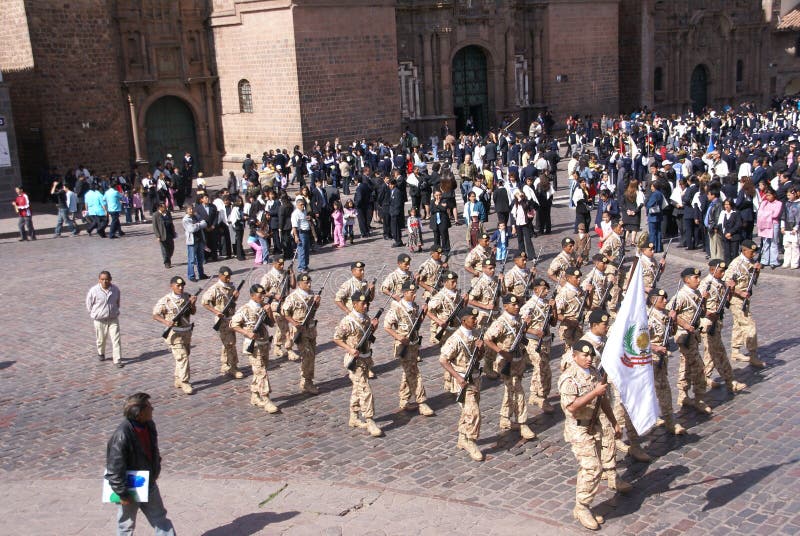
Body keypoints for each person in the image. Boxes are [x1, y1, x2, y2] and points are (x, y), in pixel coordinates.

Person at [559, 341, 629, 531]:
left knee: (589, 468)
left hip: (595, 425)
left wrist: (614, 421)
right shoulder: (569, 379)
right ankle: (582, 507)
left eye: (591, 356)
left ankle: (583, 504)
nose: (589, 359)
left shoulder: (595, 373)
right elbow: (572, 407)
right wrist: (594, 392)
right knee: (593, 468)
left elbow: (603, 399)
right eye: (584, 356)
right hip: (579, 428)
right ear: (574, 356)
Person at [106, 392, 176, 536]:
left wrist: (156, 466)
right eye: (149, 407)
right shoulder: (122, 435)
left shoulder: (149, 425)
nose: (152, 409)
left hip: (148, 482)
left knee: (160, 519)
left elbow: (152, 449)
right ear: (139, 413)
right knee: (126, 525)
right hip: (129, 487)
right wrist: (123, 494)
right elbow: (114, 469)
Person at [485, 294, 536, 440]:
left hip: (518, 360)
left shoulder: (518, 319)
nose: (517, 306)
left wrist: (525, 325)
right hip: (506, 362)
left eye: (517, 304)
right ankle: (523, 422)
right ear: (505, 306)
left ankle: (505, 418)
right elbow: (487, 339)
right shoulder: (500, 322)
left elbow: (519, 335)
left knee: (510, 390)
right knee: (518, 391)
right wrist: (501, 352)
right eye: (513, 305)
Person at [333, 291, 383, 437]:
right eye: (363, 303)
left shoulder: (366, 318)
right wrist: (349, 349)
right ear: (354, 304)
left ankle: (354, 417)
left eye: (367, 303)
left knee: (357, 388)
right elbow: (336, 338)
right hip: (354, 361)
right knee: (365, 389)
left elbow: (367, 338)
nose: (366, 305)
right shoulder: (347, 321)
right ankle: (370, 420)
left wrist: (374, 328)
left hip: (365, 359)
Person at [438, 308, 484, 461]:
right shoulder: (455, 339)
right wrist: (457, 377)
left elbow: (479, 357)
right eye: (472, 318)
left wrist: (481, 348)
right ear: (464, 321)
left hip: (475, 378)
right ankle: (471, 441)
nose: (475, 320)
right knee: (473, 412)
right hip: (463, 380)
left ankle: (462, 437)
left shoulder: (476, 334)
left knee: (468, 410)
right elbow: (443, 360)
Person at [383, 281, 434, 416]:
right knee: (415, 373)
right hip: (404, 346)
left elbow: (416, 324)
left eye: (415, 292)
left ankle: (404, 400)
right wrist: (399, 337)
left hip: (414, 346)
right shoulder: (397, 308)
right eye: (412, 292)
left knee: (408, 373)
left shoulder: (415, 306)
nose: (414, 294)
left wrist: (423, 314)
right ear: (405, 293)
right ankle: (422, 402)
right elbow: (386, 326)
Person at [699, 259, 747, 394]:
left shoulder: (720, 283)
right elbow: (698, 307)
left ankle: (704, 377)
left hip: (717, 322)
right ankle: (730, 381)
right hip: (708, 323)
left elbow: (726, 302)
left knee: (710, 353)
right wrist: (709, 313)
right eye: (721, 271)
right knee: (719, 353)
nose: (723, 273)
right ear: (712, 270)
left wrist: (730, 289)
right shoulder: (705, 285)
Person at [230, 284, 279, 413]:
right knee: (261, 372)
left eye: (263, 294)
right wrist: (246, 333)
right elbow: (233, 324)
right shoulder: (245, 309)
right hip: (253, 346)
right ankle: (266, 399)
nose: (262, 296)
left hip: (264, 344)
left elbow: (272, 324)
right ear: (252, 296)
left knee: (259, 371)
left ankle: (255, 395)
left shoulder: (264, 306)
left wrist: (269, 312)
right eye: (259, 295)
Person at [669, 267, 712, 414]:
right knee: (699, 368)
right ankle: (699, 398)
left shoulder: (698, 293)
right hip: (684, 336)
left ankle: (683, 395)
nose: (699, 280)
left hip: (693, 336)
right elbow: (670, 313)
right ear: (687, 280)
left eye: (699, 277)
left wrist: (704, 301)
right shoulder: (681, 296)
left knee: (686, 366)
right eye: (695, 278)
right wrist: (685, 324)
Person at [647, 288, 687, 435]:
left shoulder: (664, 314)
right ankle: (657, 417)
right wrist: (655, 347)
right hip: (649, 359)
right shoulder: (646, 316)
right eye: (662, 299)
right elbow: (638, 340)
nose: (665, 301)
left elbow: (670, 333)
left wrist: (673, 320)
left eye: (666, 298)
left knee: (663, 388)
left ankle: (669, 419)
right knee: (652, 389)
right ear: (652, 300)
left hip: (661, 360)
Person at [152, 276, 197, 395]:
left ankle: (178, 378)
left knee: (183, 355)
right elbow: (155, 314)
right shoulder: (165, 300)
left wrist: (192, 304)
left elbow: (193, 312)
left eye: (182, 286)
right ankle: (185, 381)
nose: (181, 288)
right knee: (183, 357)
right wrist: (166, 322)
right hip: (174, 333)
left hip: (186, 332)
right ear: (172, 286)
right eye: (178, 286)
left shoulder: (187, 297)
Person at [723, 240, 765, 368]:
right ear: (744, 250)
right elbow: (726, 282)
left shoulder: (751, 262)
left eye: (754, 252)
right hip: (736, 298)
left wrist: (757, 271)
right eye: (751, 252)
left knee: (738, 323)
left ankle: (735, 351)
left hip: (745, 298)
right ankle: (753, 354)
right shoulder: (736, 264)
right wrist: (740, 293)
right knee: (749, 325)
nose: (753, 254)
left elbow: (753, 280)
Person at [521, 278, 557, 413]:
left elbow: (553, 323)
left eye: (547, 289)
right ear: (535, 290)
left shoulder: (547, 304)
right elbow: (521, 326)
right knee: (541, 367)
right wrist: (534, 331)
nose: (546, 291)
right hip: (533, 342)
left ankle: (537, 394)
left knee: (544, 368)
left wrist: (554, 308)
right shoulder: (529, 306)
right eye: (543, 289)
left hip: (546, 341)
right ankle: (539, 396)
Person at [281, 273, 321, 395]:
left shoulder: (312, 294)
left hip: (311, 330)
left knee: (312, 355)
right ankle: (307, 382)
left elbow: (313, 312)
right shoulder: (293, 297)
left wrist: (317, 304)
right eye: (306, 283)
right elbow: (284, 312)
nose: (309, 284)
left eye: (309, 282)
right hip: (300, 332)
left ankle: (307, 379)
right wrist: (294, 323)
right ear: (299, 284)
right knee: (307, 355)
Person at [202, 266, 244, 379]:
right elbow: (204, 302)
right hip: (222, 320)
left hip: (231, 318)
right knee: (230, 343)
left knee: (227, 342)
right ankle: (233, 367)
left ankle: (225, 363)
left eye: (229, 276)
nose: (228, 279)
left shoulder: (231, 287)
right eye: (226, 277)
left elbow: (231, 303)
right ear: (220, 276)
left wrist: (235, 298)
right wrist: (216, 311)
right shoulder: (215, 289)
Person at [86, 270, 123, 368]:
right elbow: (89, 304)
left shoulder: (115, 290)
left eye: (106, 279)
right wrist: (95, 314)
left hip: (113, 319)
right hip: (100, 320)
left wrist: (114, 311)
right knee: (101, 339)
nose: (104, 281)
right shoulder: (93, 291)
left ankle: (117, 359)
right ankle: (101, 353)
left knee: (116, 339)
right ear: (99, 280)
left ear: (110, 279)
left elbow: (117, 302)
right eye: (102, 279)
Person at [756, 188, 783, 268]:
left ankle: (774, 261)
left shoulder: (778, 203)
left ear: (774, 195)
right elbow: (759, 212)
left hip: (773, 224)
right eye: (766, 195)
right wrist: (763, 200)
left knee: (774, 243)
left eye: (769, 195)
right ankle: (765, 260)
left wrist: (765, 214)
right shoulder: (764, 203)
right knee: (765, 243)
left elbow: (775, 215)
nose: (767, 197)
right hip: (764, 225)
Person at [182, 205, 208, 282]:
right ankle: (191, 275)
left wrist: (197, 225)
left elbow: (205, 223)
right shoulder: (185, 219)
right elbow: (191, 229)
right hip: (192, 242)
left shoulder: (196, 216)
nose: (191, 210)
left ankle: (201, 274)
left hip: (199, 240)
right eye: (189, 209)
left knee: (200, 259)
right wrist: (199, 225)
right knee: (191, 260)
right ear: (186, 211)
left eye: (192, 209)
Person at [152, 202, 176, 269]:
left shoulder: (168, 213)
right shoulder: (155, 215)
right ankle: (167, 262)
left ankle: (168, 257)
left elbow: (171, 222)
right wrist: (157, 236)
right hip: (162, 235)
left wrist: (173, 231)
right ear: (159, 207)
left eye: (165, 207)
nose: (165, 208)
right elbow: (155, 226)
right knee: (164, 249)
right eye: (163, 207)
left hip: (169, 233)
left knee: (171, 248)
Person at [291, 198, 312, 273]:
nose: (302, 206)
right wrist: (296, 236)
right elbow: (294, 226)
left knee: (306, 250)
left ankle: (305, 266)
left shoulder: (304, 211)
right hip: (300, 233)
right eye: (301, 205)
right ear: (297, 205)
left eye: (303, 204)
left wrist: (308, 218)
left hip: (306, 232)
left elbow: (304, 219)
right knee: (301, 251)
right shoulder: (295, 214)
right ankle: (301, 267)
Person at [781, 187, 800, 269]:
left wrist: (796, 228)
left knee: (795, 245)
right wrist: (782, 226)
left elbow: (799, 218)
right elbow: (783, 215)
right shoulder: (786, 203)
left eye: (790, 195)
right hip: (787, 227)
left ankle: (795, 262)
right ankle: (786, 261)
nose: (788, 197)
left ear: (795, 194)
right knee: (787, 245)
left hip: (795, 228)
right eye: (787, 195)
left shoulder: (799, 204)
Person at [429, 189, 451, 254]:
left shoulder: (444, 200)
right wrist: (439, 207)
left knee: (444, 236)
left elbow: (444, 209)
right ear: (434, 195)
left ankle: (446, 250)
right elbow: (432, 210)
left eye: (439, 195)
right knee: (436, 237)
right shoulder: (432, 201)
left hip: (443, 221)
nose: (438, 197)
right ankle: (437, 250)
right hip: (435, 222)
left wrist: (438, 205)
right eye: (436, 195)